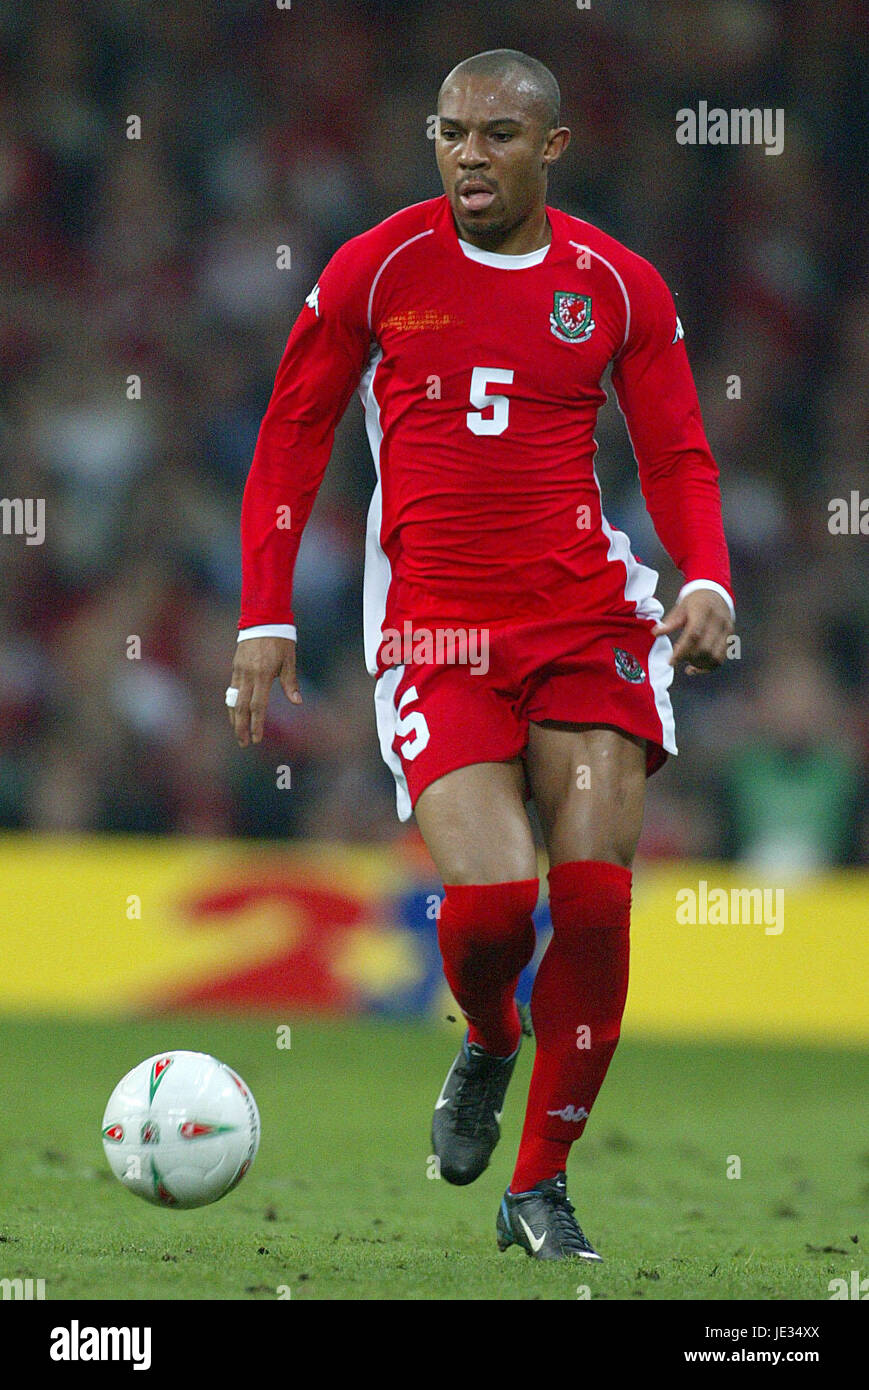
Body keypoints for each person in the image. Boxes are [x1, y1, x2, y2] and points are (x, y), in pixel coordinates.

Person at [226, 49, 734, 1261]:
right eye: (450, 133)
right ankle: (492, 1041)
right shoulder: (378, 267)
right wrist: (263, 613)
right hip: (438, 630)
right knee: (498, 904)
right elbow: (292, 433)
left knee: (597, 898)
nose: (468, 155)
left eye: (497, 135)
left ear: (550, 147)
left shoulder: (614, 285)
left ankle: (538, 1184)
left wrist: (706, 574)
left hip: (584, 616)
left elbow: (673, 452)